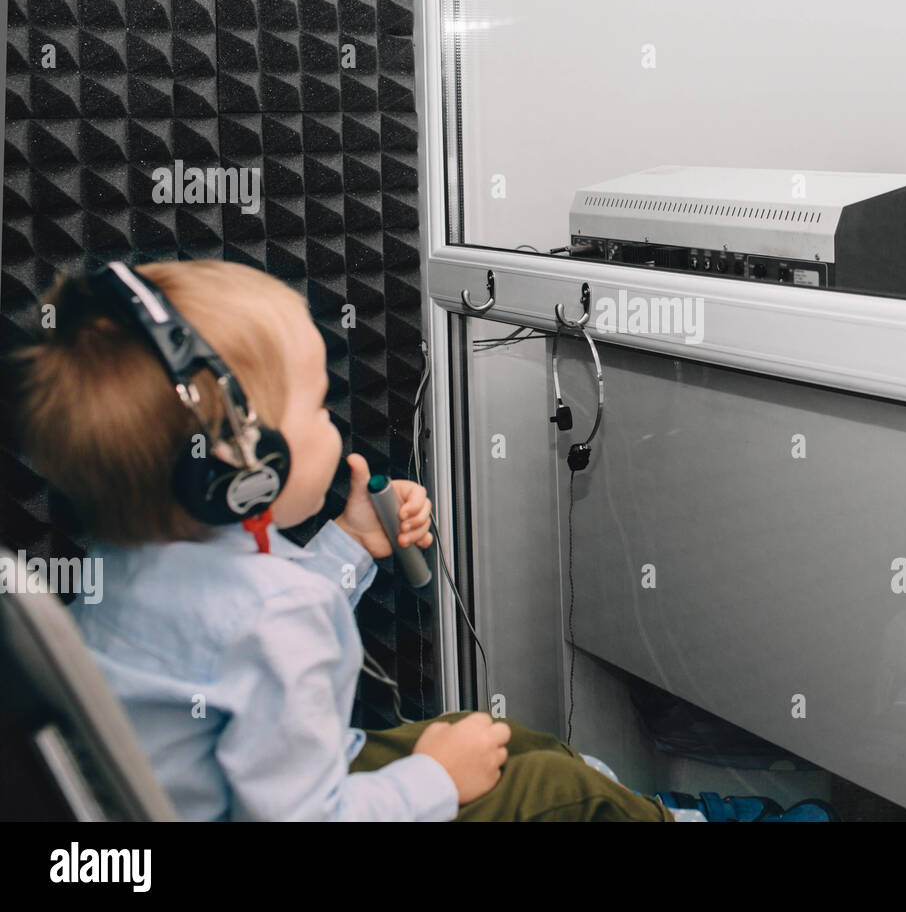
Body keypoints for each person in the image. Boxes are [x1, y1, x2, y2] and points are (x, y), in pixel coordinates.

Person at [5, 259, 688, 821]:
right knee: (550, 790)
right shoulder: (278, 612)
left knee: (520, 747)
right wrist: (435, 782)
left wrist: (353, 540)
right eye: (319, 405)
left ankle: (637, 806)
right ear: (246, 464)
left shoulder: (127, 560)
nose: (333, 422)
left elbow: (233, 627)